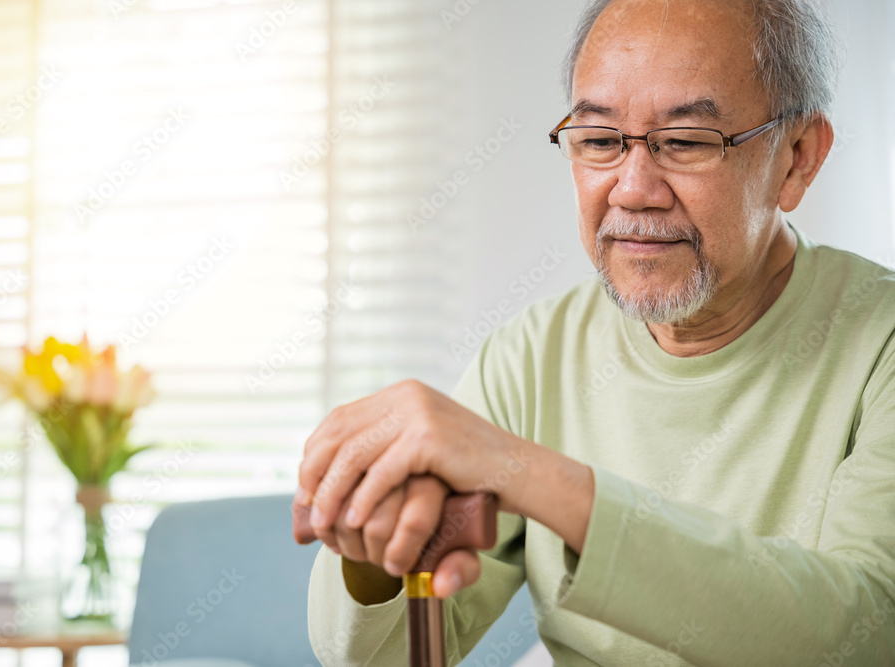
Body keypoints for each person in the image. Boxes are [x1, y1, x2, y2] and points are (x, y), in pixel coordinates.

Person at [298, 0, 895, 664]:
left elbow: (866, 629)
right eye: (600, 141)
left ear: (798, 158)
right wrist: (376, 547)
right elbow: (374, 656)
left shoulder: (880, 344)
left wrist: (534, 476)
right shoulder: (531, 355)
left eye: (687, 142)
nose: (633, 188)